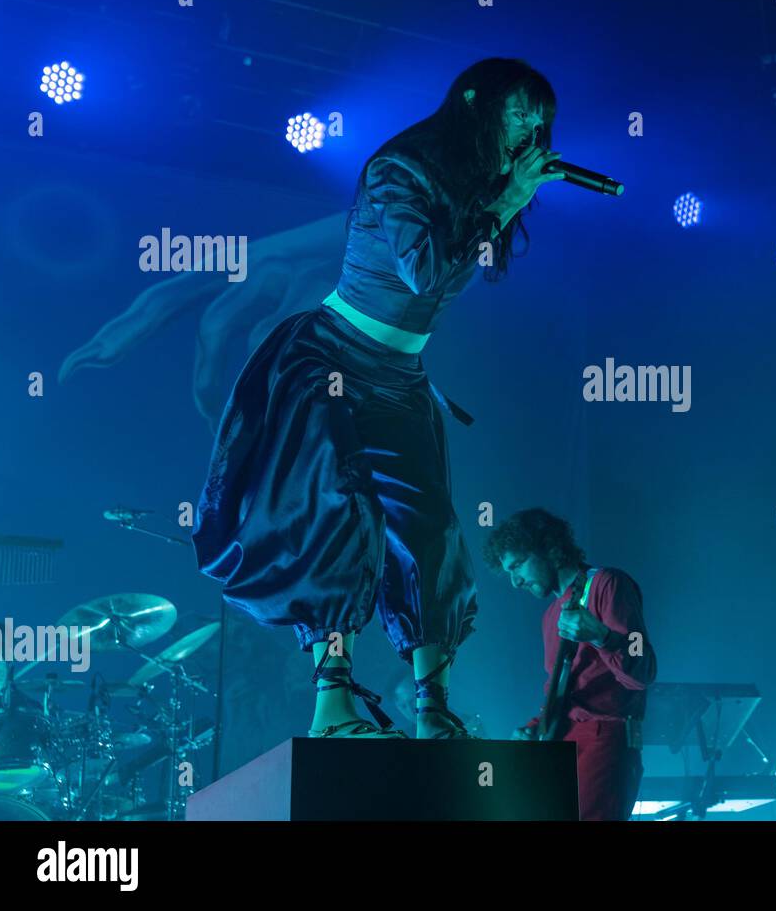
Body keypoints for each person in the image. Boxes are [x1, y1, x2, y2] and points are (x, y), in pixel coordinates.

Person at [192, 58, 566, 739]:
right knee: (344, 517)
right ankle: (332, 703)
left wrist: (499, 200)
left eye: (540, 118)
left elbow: (455, 274)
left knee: (430, 533)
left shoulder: (476, 180)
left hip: (402, 376)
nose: (531, 128)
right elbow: (426, 275)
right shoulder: (402, 167)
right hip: (330, 363)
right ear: (476, 105)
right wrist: (504, 202)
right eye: (519, 112)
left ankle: (433, 708)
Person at [483, 509, 656, 820]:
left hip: (606, 738)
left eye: (518, 565)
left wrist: (603, 637)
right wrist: (534, 728)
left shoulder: (607, 584)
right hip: (563, 742)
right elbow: (561, 689)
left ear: (547, 547)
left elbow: (643, 667)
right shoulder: (550, 616)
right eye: (508, 572)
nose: (514, 581)